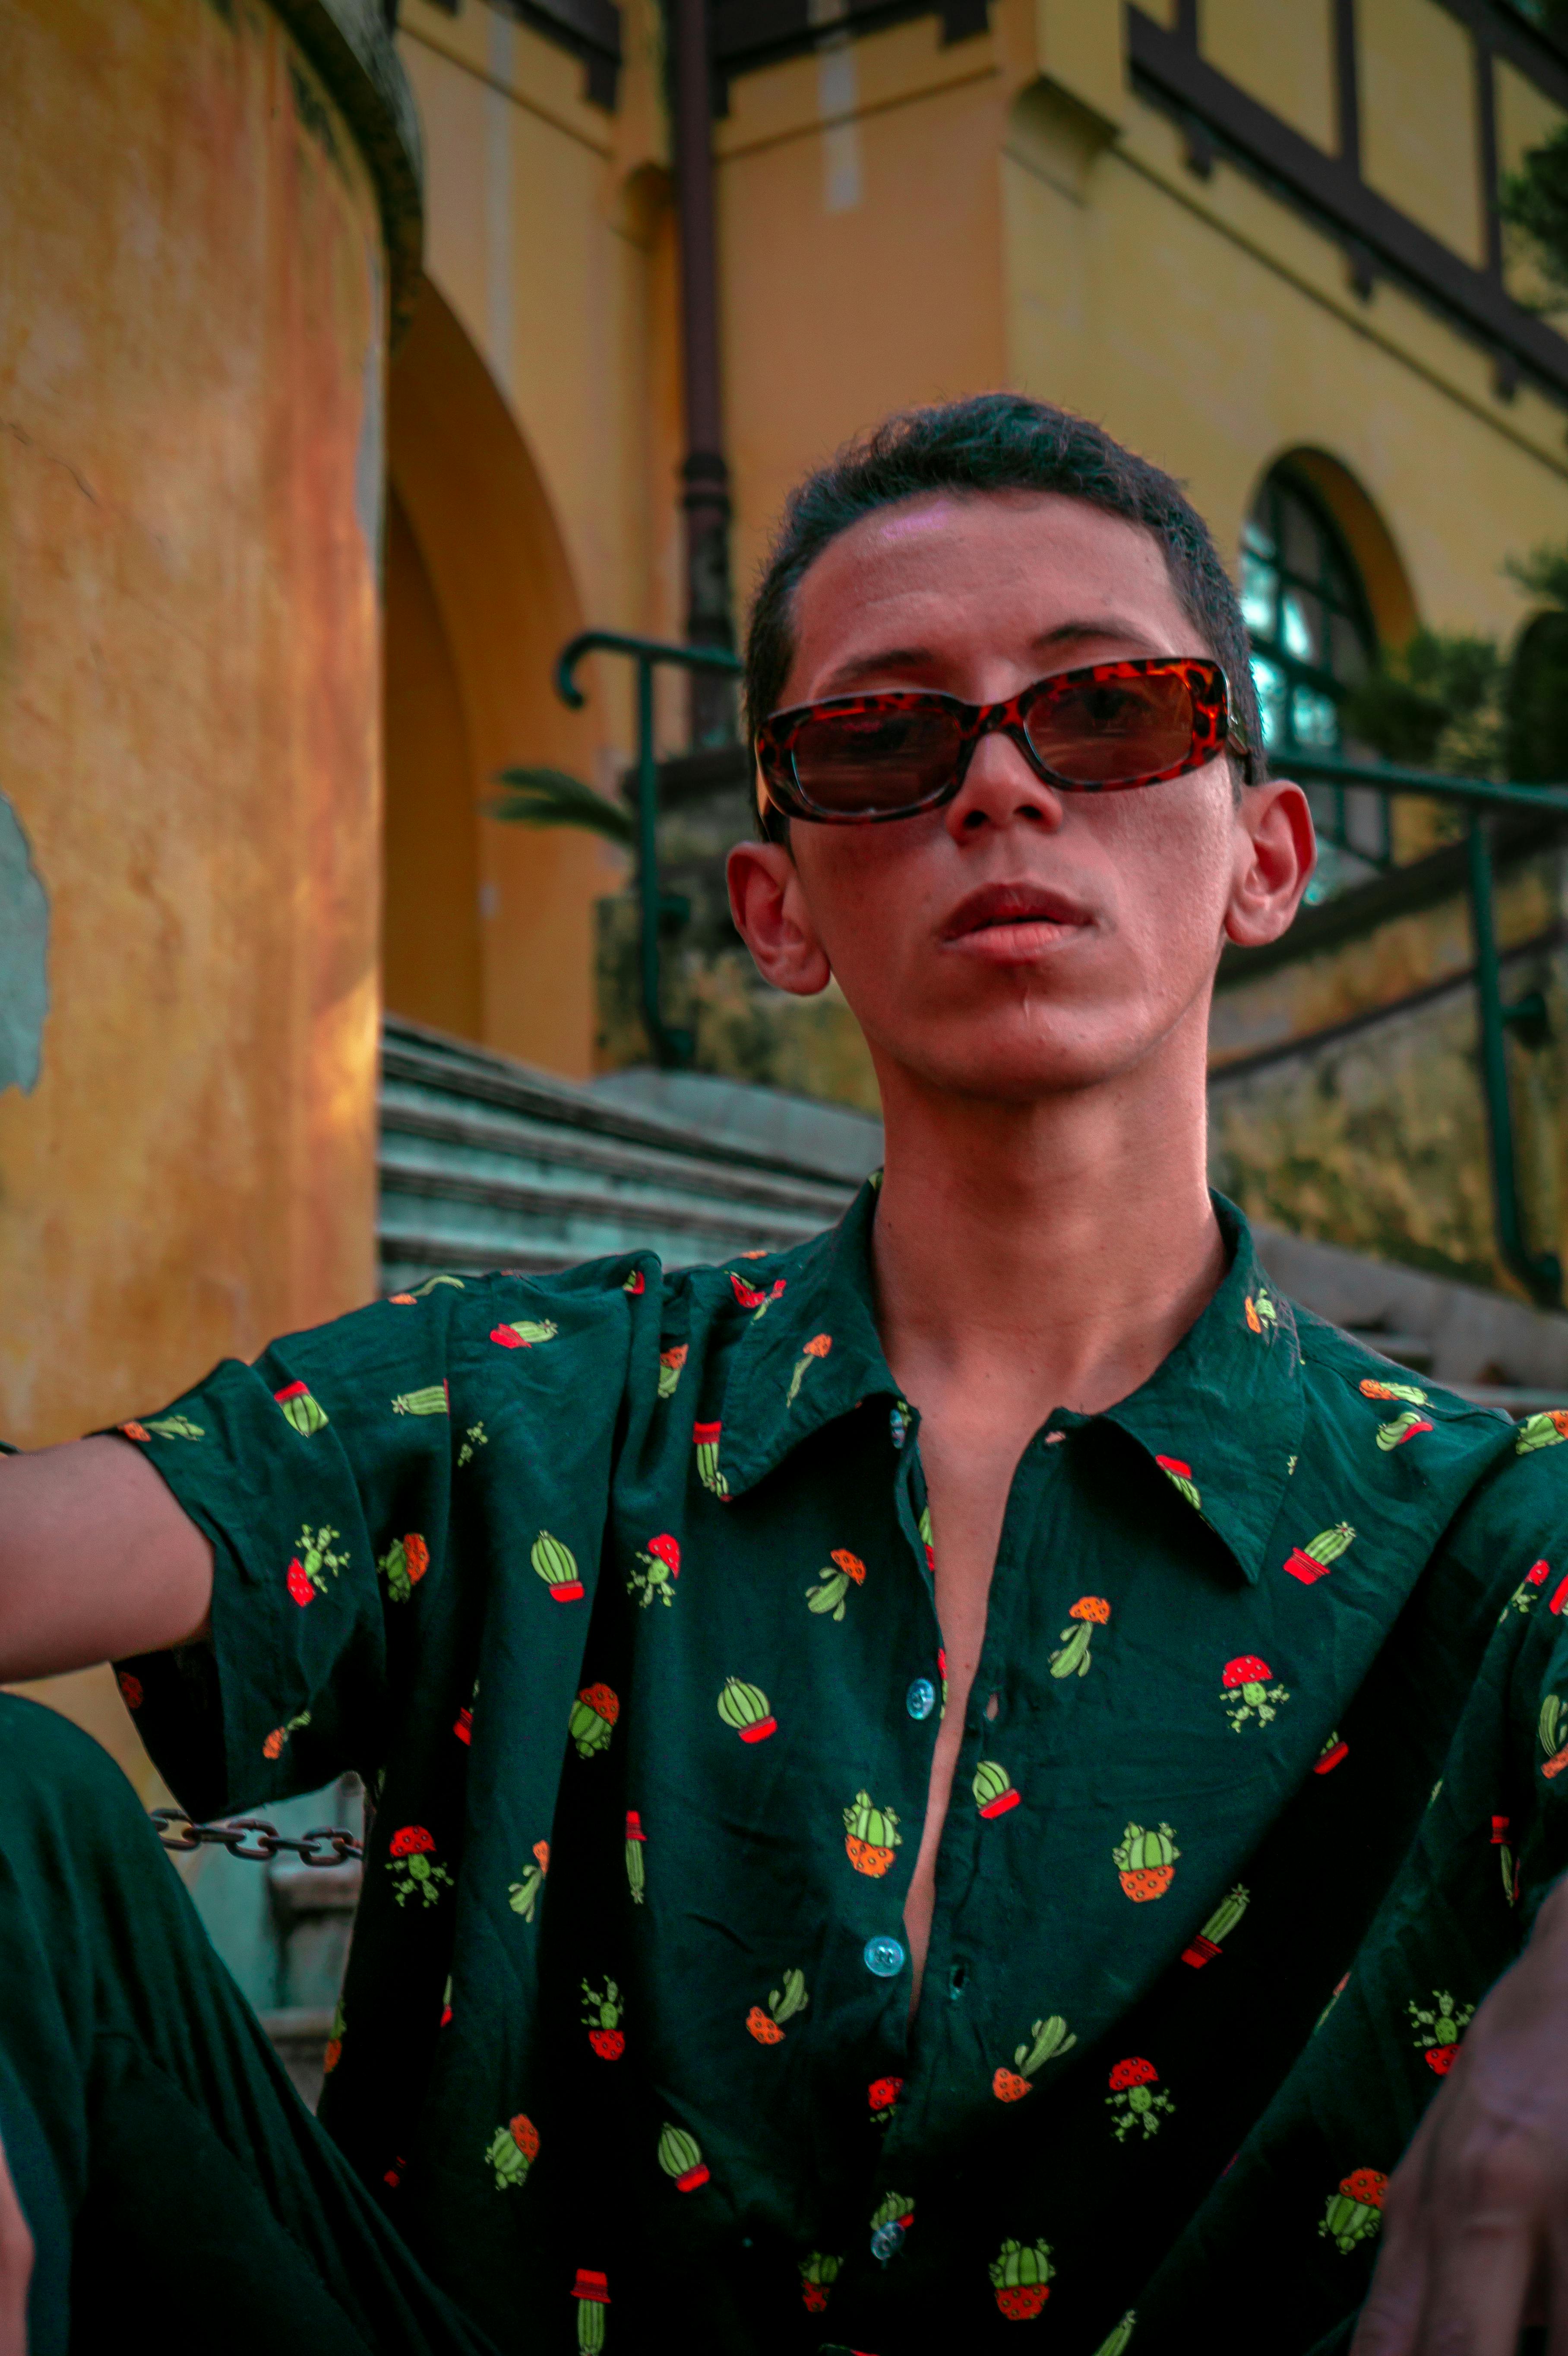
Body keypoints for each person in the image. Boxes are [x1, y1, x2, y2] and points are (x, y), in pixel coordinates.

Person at [1, 392, 1565, 2356]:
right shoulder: (537, 1403)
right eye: (882, 737)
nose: (997, 789)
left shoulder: (1483, 1534)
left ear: (1262, 854)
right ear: (774, 909)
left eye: (1102, 709)